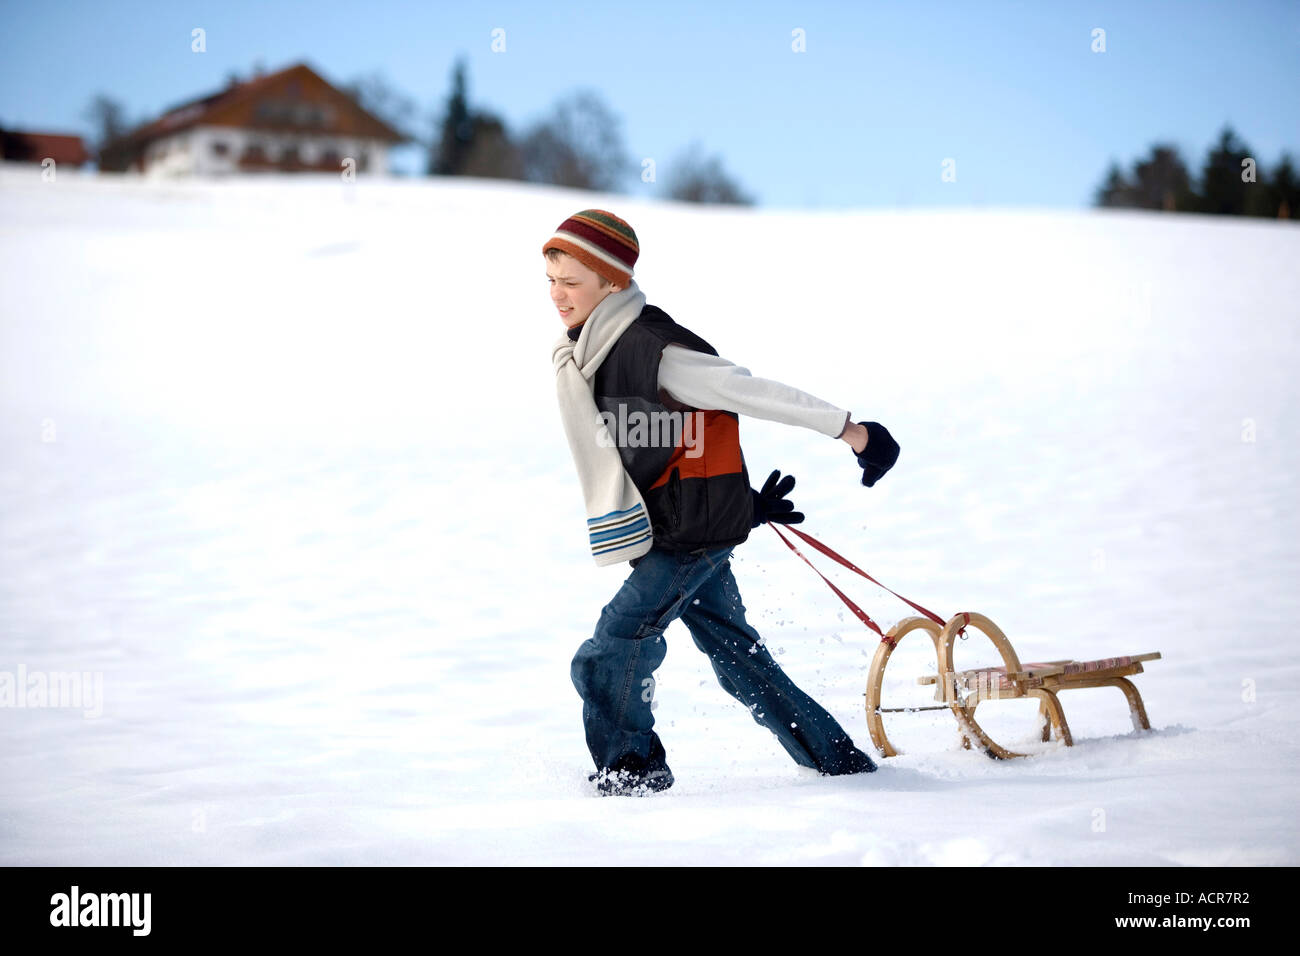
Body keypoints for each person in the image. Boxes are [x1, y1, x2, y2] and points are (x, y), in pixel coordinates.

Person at [548, 209, 900, 796]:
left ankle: (632, 774)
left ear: (611, 282)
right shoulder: (589, 352)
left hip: (688, 539)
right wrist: (741, 502)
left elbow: (748, 392)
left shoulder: (656, 350)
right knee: (740, 659)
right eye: (551, 281)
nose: (558, 296)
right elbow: (666, 442)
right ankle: (839, 763)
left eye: (572, 282)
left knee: (613, 646)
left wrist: (852, 432)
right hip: (679, 526)